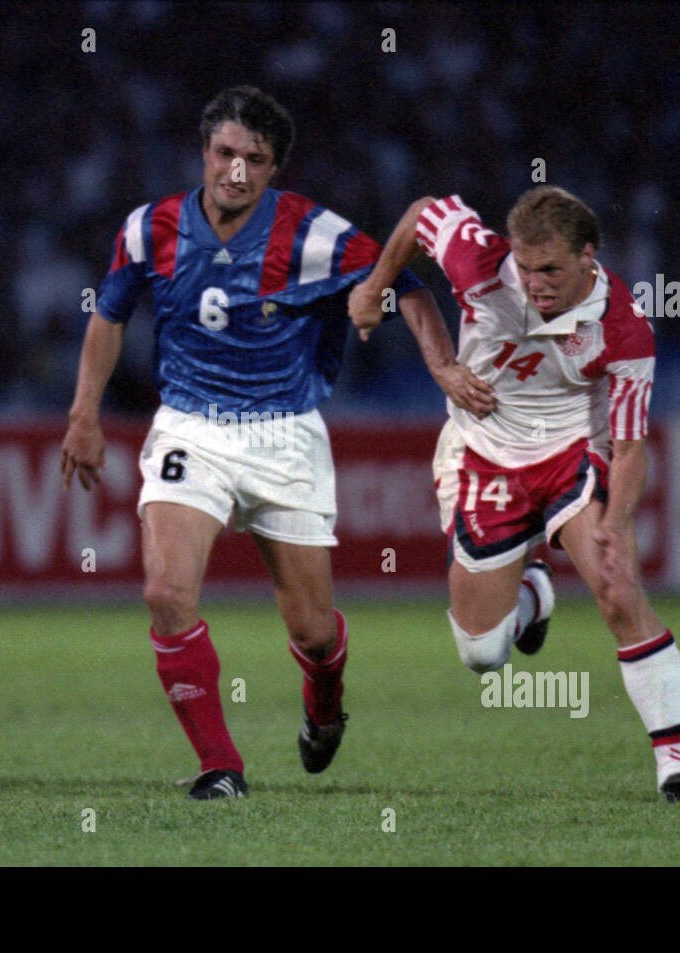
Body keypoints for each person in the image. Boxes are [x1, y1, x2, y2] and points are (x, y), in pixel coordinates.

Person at [60, 87, 466, 799]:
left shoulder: (317, 235)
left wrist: (440, 364)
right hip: (190, 424)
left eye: (256, 159)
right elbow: (110, 314)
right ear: (203, 151)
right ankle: (221, 766)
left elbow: (404, 284)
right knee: (165, 589)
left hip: (284, 435)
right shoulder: (148, 228)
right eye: (225, 153)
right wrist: (83, 415)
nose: (237, 172)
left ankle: (326, 700)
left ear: (275, 168)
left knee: (312, 631)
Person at [348, 186, 680, 802]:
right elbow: (417, 215)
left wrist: (615, 526)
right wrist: (401, 316)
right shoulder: (478, 260)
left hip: (573, 451)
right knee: (483, 655)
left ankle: (678, 765)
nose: (534, 282)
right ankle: (534, 592)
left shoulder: (622, 326)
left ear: (589, 256)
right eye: (525, 265)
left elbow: (629, 449)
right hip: (484, 454)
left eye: (551, 270)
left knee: (618, 592)